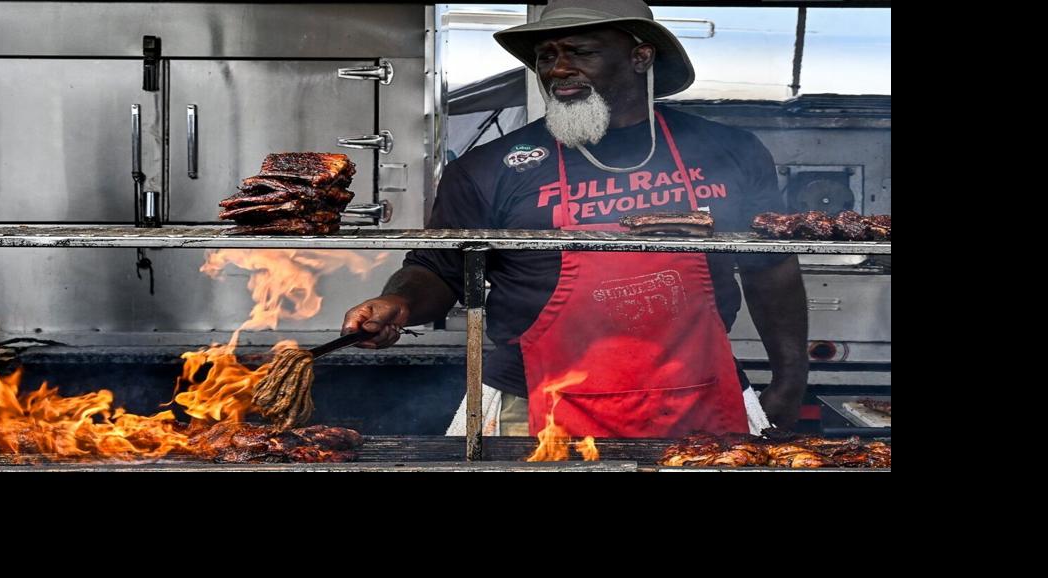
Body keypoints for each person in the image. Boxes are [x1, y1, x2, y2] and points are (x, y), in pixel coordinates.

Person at [342, 0, 808, 437]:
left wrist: (790, 381)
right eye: (547, 56)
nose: (558, 69)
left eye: (580, 52)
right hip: (531, 406)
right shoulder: (488, 168)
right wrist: (398, 302)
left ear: (640, 57)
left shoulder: (730, 151)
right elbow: (438, 269)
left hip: (701, 397)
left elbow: (771, 268)